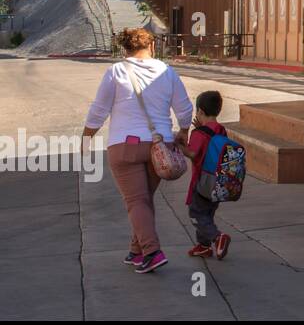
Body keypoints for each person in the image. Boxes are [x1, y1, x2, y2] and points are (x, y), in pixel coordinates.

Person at [83, 28, 193, 274]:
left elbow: (98, 110)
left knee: (136, 201)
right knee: (142, 200)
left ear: (125, 49)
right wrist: (183, 132)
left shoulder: (116, 72)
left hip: (125, 147)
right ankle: (136, 251)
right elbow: (185, 108)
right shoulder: (167, 72)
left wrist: (86, 137)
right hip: (160, 147)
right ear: (151, 47)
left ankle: (152, 252)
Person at [178, 90, 231, 260]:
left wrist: (179, 146)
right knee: (206, 214)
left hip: (202, 182)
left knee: (196, 214)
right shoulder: (221, 129)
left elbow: (193, 154)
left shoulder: (199, 133)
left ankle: (217, 237)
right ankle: (203, 246)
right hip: (219, 182)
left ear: (200, 111)